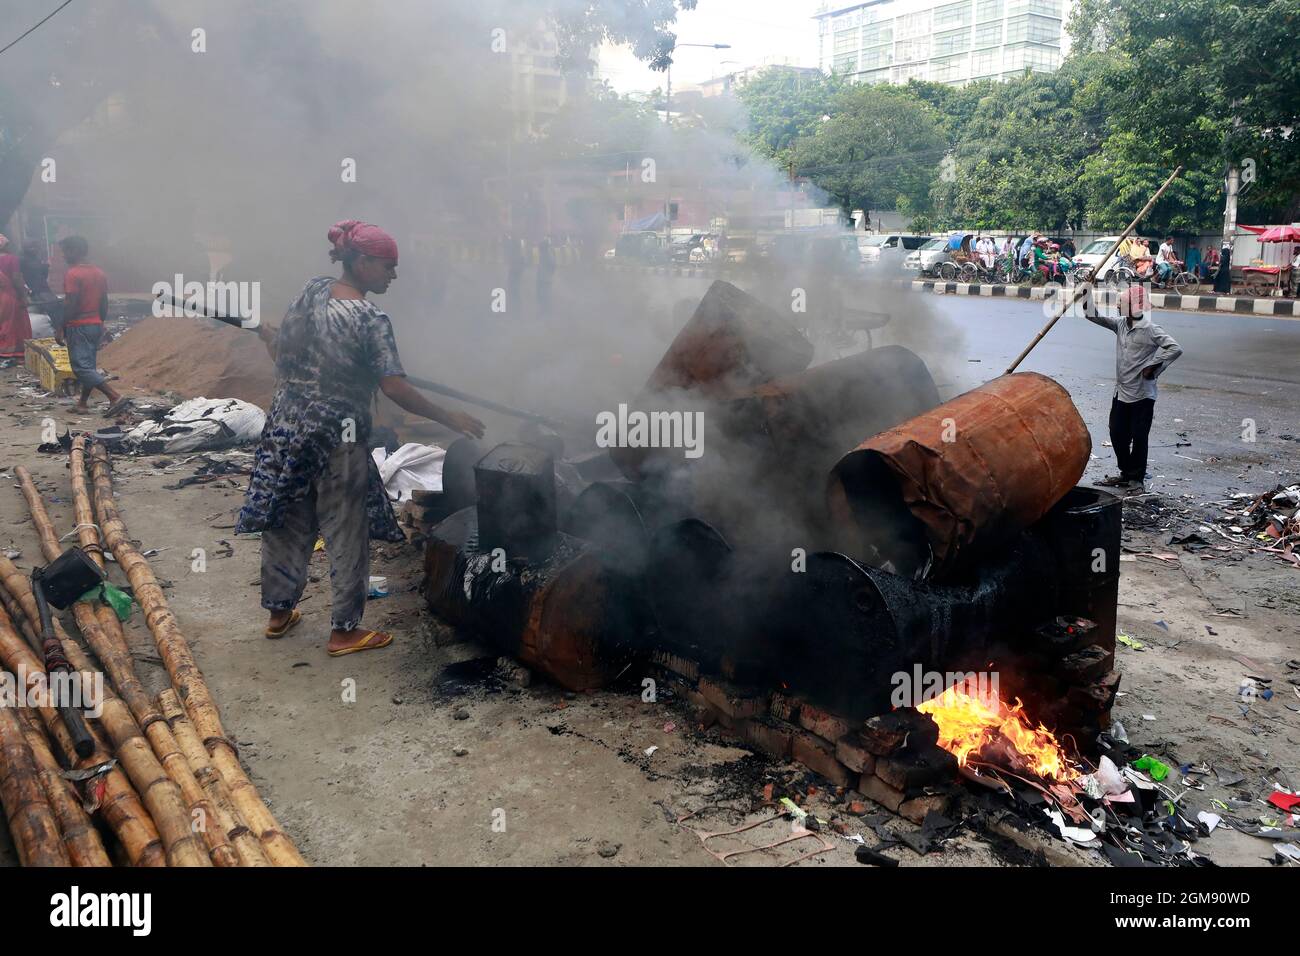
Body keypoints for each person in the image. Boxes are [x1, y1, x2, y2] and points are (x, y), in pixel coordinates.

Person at [239, 220, 485, 657]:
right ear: (363, 261)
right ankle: (344, 633)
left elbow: (283, 356)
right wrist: (450, 417)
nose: (393, 275)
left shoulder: (310, 293)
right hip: (336, 438)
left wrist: (268, 336)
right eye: (388, 266)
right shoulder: (370, 318)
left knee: (287, 522)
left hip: (283, 432)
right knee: (345, 530)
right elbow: (395, 388)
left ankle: (279, 614)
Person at [1086, 284, 1182, 491]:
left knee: (1139, 437)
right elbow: (1092, 316)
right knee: (1117, 434)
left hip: (1142, 395)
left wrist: (1153, 366)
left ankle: (1136, 478)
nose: (1118, 306)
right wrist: (1086, 290)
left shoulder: (1150, 329)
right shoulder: (1120, 325)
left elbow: (1174, 348)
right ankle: (1126, 472)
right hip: (1121, 392)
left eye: (1122, 303)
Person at [55, 236, 128, 414]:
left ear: (76, 251)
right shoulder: (99, 273)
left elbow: (71, 303)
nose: (64, 256)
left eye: (66, 251)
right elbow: (104, 301)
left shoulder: (73, 274)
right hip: (94, 323)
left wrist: (61, 327)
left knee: (81, 367)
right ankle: (82, 403)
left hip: (78, 324)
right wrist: (100, 323)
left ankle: (114, 397)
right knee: (88, 365)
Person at [0, 234, 32, 362]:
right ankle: (12, 351)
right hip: (10, 296)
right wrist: (23, 295)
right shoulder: (11, 259)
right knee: (13, 323)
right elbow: (16, 278)